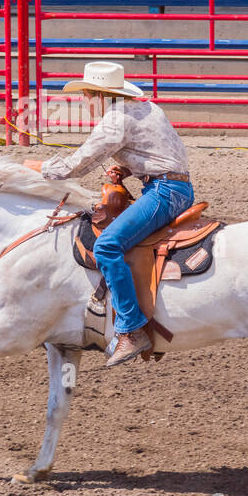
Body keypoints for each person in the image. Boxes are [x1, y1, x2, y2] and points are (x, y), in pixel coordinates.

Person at [23, 61, 194, 366]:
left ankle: (130, 328)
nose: (83, 102)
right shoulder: (145, 107)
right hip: (173, 188)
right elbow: (164, 152)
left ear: (100, 96)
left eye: (86, 95)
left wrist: (35, 168)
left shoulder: (115, 120)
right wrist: (130, 167)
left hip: (163, 193)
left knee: (107, 245)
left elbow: (77, 165)